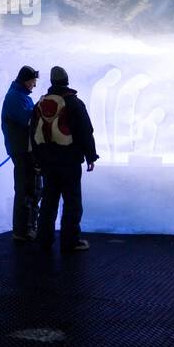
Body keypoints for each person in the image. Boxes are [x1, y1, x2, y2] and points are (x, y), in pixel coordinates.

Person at [29, 65, 98, 252]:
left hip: (47, 163)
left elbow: (32, 134)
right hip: (70, 161)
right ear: (66, 81)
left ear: (52, 82)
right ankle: (71, 241)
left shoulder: (40, 104)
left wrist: (37, 160)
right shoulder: (74, 103)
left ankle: (44, 240)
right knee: (72, 202)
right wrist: (91, 156)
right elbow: (85, 132)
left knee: (49, 202)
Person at [1, 65, 41, 240]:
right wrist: (40, 107)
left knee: (31, 189)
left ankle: (29, 227)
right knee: (26, 189)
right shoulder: (15, 98)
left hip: (25, 150)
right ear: (26, 80)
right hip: (22, 151)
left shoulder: (20, 96)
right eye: (33, 81)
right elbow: (28, 120)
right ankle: (23, 230)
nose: (34, 84)